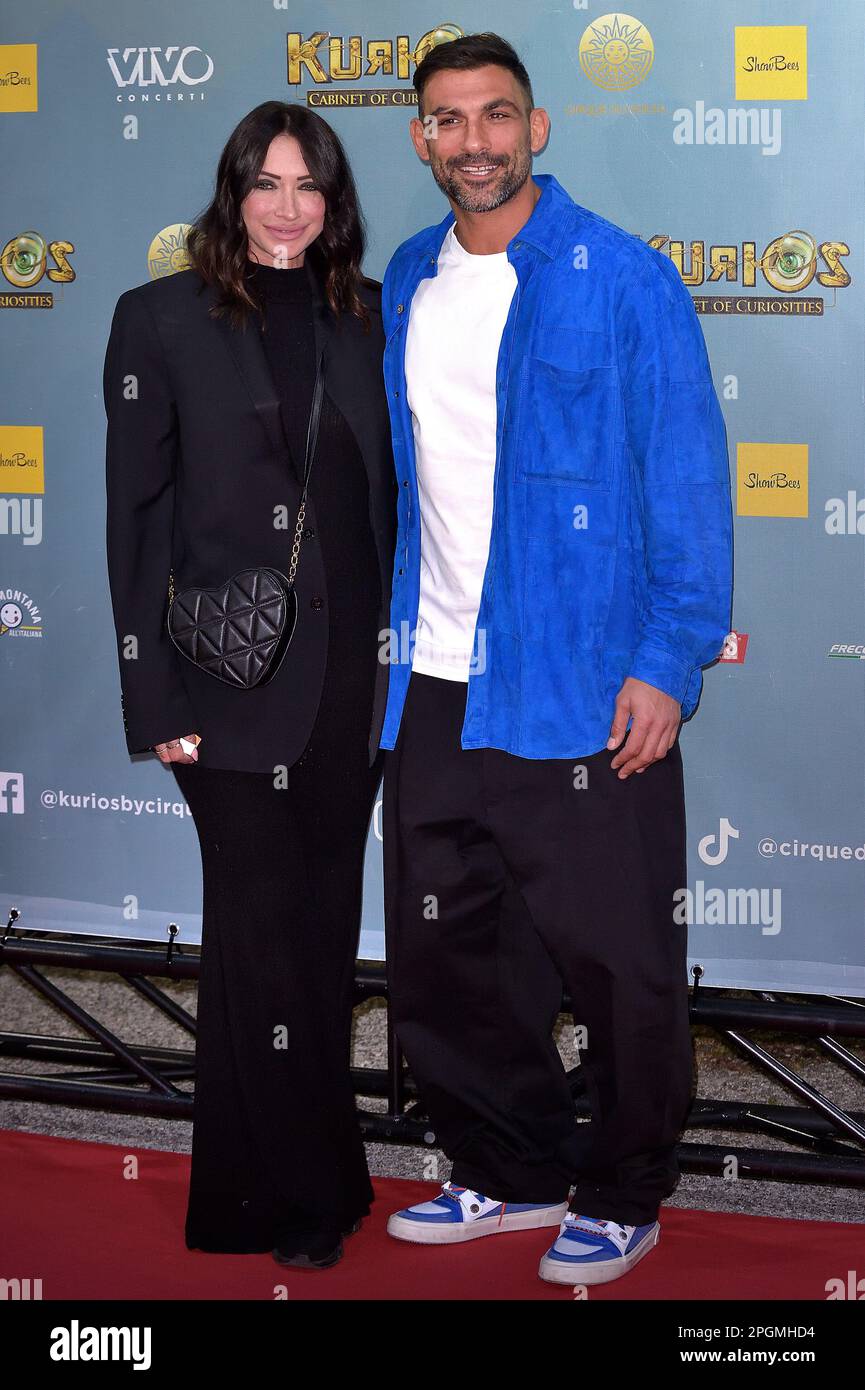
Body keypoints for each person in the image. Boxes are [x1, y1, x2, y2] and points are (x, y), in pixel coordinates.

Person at [377, 34, 733, 1286]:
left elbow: (685, 481)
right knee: (447, 951)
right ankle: (508, 1168)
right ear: (418, 137)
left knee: (618, 956)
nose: (472, 140)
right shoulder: (405, 278)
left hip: (584, 678)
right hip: (428, 672)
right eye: (447, 120)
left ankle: (625, 1187)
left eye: (495, 116)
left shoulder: (623, 279)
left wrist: (669, 657)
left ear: (539, 130)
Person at [103, 101, 396, 1269]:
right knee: (266, 931)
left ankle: (265, 1183)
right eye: (263, 183)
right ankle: (295, 1204)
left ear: (335, 203)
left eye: (307, 185)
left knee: (314, 933)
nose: (284, 205)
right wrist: (154, 700)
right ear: (231, 193)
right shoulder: (158, 318)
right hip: (221, 687)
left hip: (349, 680)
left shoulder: (371, 318)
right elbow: (135, 520)